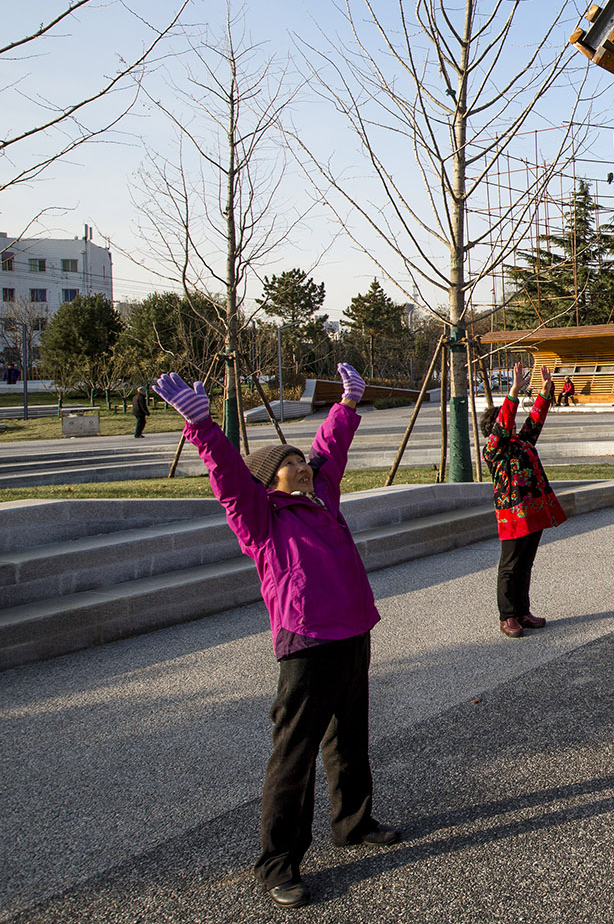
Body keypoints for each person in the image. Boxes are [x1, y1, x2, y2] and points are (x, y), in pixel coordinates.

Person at [154, 362, 399, 911]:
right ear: (269, 481)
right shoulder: (261, 518)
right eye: (289, 464)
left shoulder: (322, 497)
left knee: (349, 737)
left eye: (301, 461)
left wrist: (347, 404)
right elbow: (229, 478)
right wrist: (202, 428)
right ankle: (278, 863)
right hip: (306, 640)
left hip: (354, 631)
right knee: (295, 753)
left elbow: (329, 450)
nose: (302, 466)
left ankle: (353, 823)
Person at [480, 361, 567, 638]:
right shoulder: (493, 450)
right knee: (510, 566)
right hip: (513, 517)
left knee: (525, 564)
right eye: (505, 423)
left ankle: (522, 611)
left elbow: (535, 420)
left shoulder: (522, 442)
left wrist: (545, 391)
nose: (513, 425)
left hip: (534, 513)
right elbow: (503, 424)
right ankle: (507, 616)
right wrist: (514, 390)